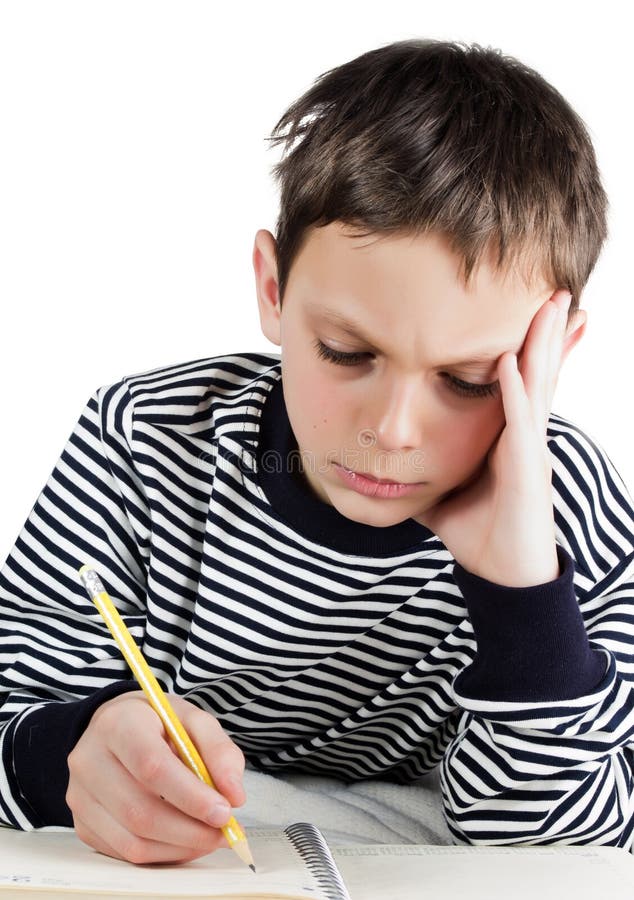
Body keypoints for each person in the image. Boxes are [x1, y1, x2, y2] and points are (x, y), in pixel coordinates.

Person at [1, 38, 633, 866]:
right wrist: (73, 753)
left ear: (550, 357)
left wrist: (519, 593)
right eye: (345, 351)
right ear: (272, 290)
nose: (394, 430)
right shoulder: (148, 440)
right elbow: (16, 712)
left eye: (469, 380)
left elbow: (574, 851)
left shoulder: (572, 511)